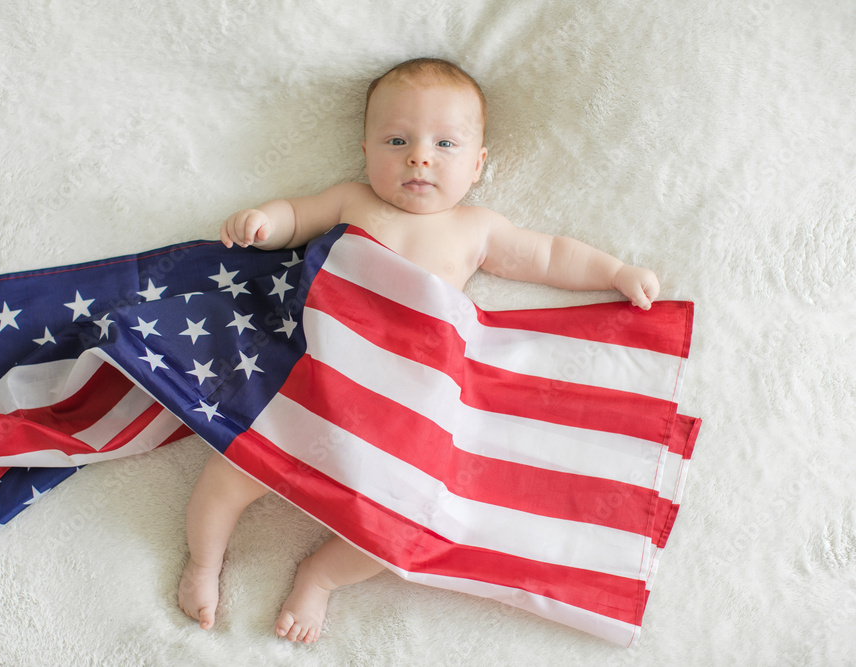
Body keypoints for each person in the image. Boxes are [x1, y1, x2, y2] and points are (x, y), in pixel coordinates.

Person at [177, 57, 660, 644]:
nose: (419, 157)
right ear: (365, 149)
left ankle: (321, 577)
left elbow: (550, 255)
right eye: (397, 140)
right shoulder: (354, 201)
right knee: (229, 474)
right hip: (318, 380)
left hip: (401, 408)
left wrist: (615, 271)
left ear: (478, 164)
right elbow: (297, 215)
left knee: (405, 524)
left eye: (445, 144)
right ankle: (203, 563)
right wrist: (264, 221)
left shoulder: (474, 228)